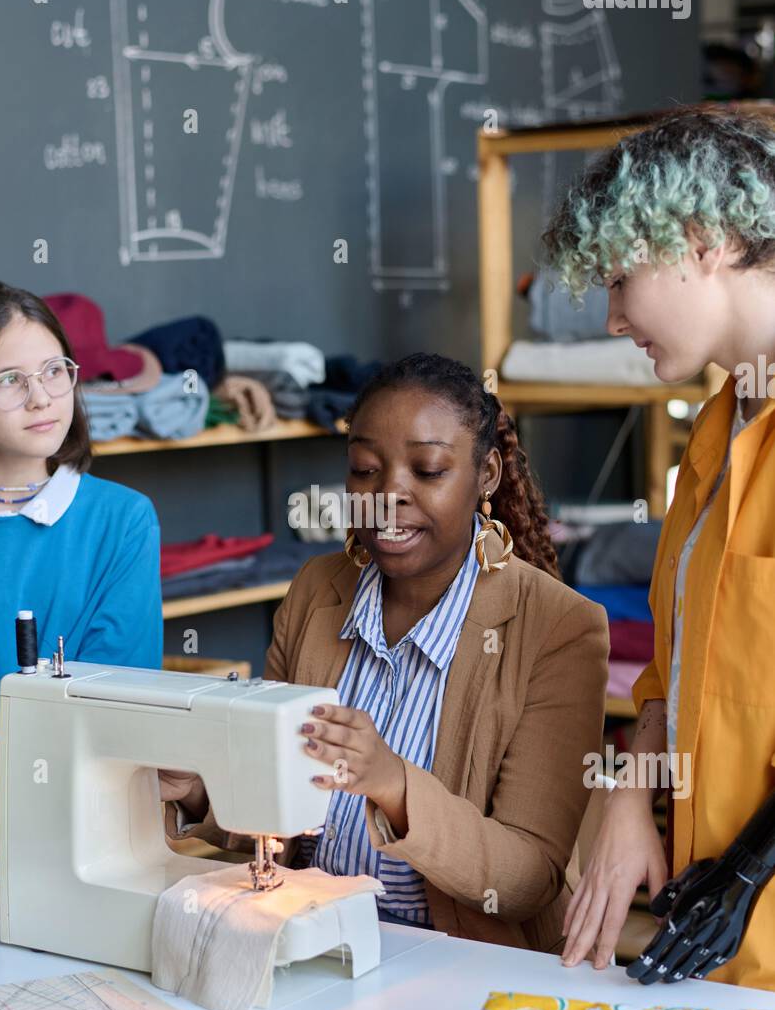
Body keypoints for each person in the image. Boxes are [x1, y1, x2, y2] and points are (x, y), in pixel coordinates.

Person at [165, 353, 608, 948]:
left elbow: (527, 879)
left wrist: (394, 784)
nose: (388, 495)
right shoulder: (316, 594)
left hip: (460, 961)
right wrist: (196, 790)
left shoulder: (557, 630)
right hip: (313, 939)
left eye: (427, 471)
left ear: (487, 475)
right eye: (365, 469)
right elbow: (272, 819)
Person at [543, 105, 775, 990]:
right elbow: (672, 674)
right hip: (718, 944)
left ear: (704, 239)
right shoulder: (716, 435)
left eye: (619, 280)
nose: (611, 319)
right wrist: (623, 786)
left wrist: (749, 873)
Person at [0, 282, 162, 845]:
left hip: (82, 828)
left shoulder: (123, 521)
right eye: (8, 382)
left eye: (54, 371)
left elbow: (107, 694)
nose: (41, 397)